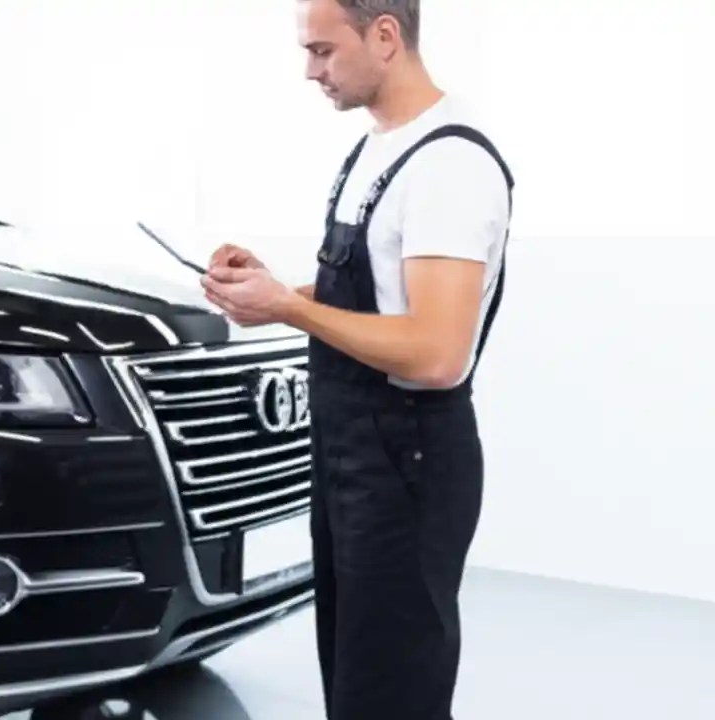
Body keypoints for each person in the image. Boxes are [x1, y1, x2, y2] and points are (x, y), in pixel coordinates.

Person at [200, 1, 514, 719]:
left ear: (384, 35)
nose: (310, 71)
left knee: (391, 694)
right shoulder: (379, 147)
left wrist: (288, 308)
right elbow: (374, 294)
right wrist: (270, 289)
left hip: (409, 463)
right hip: (353, 454)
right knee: (356, 682)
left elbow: (436, 353)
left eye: (321, 51)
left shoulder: (449, 165)